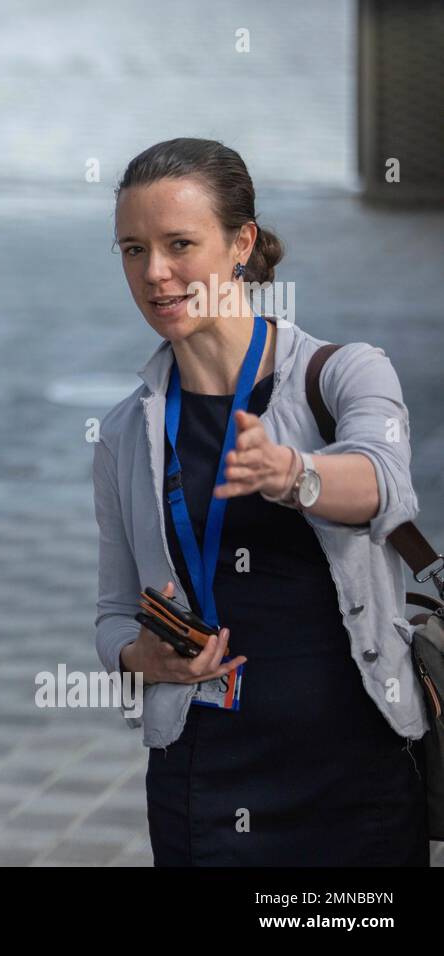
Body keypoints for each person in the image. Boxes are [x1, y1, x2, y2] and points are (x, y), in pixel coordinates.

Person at [92, 137, 430, 865]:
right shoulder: (126, 431)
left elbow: (384, 485)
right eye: (132, 249)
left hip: (355, 775)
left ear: (241, 243)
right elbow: (113, 613)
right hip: (202, 778)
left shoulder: (343, 375)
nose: (155, 273)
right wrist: (140, 657)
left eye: (180, 244)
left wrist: (292, 475)